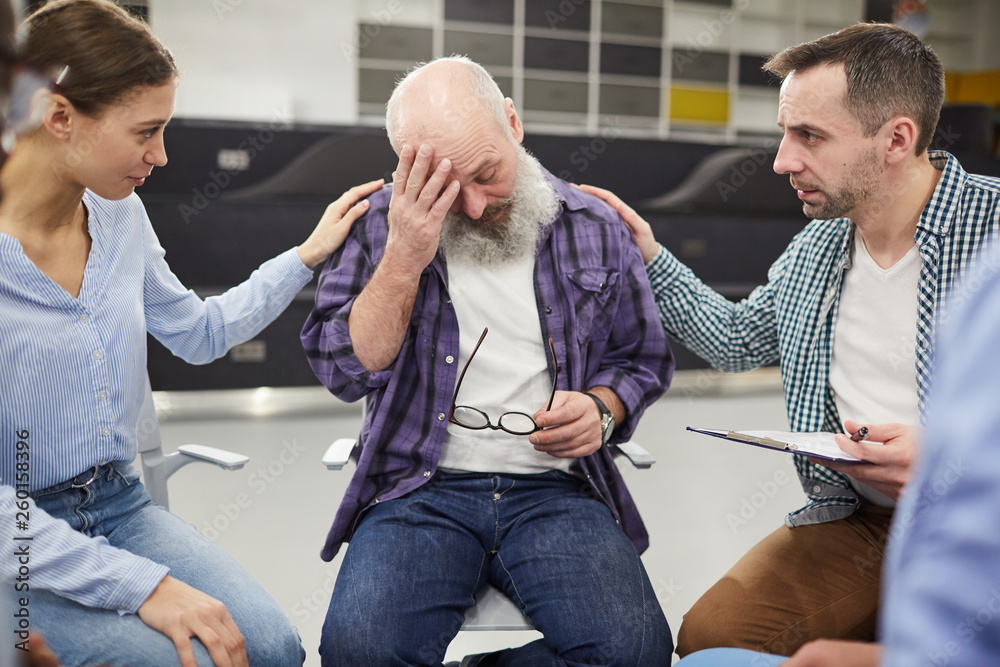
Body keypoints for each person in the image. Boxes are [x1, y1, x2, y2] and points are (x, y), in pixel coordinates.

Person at [581, 22, 1000, 658]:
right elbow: (733, 341)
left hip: (983, 521)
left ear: (896, 138)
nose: (782, 160)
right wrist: (651, 257)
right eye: (784, 132)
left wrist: (950, 457)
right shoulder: (816, 248)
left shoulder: (991, 232)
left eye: (809, 135)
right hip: (861, 520)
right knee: (712, 639)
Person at [0, 1, 381, 665]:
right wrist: (143, 586)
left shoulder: (119, 215)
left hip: (116, 504)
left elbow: (198, 333)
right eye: (146, 131)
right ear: (59, 116)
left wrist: (307, 255)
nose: (163, 154)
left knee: (272, 649)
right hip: (21, 540)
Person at [301, 55, 675, 666]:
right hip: (418, 489)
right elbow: (343, 370)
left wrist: (602, 411)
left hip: (557, 491)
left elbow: (642, 358)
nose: (475, 206)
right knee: (357, 654)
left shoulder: (595, 224)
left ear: (513, 122)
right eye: (447, 188)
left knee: (635, 656)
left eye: (486, 173)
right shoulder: (378, 225)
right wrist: (404, 256)